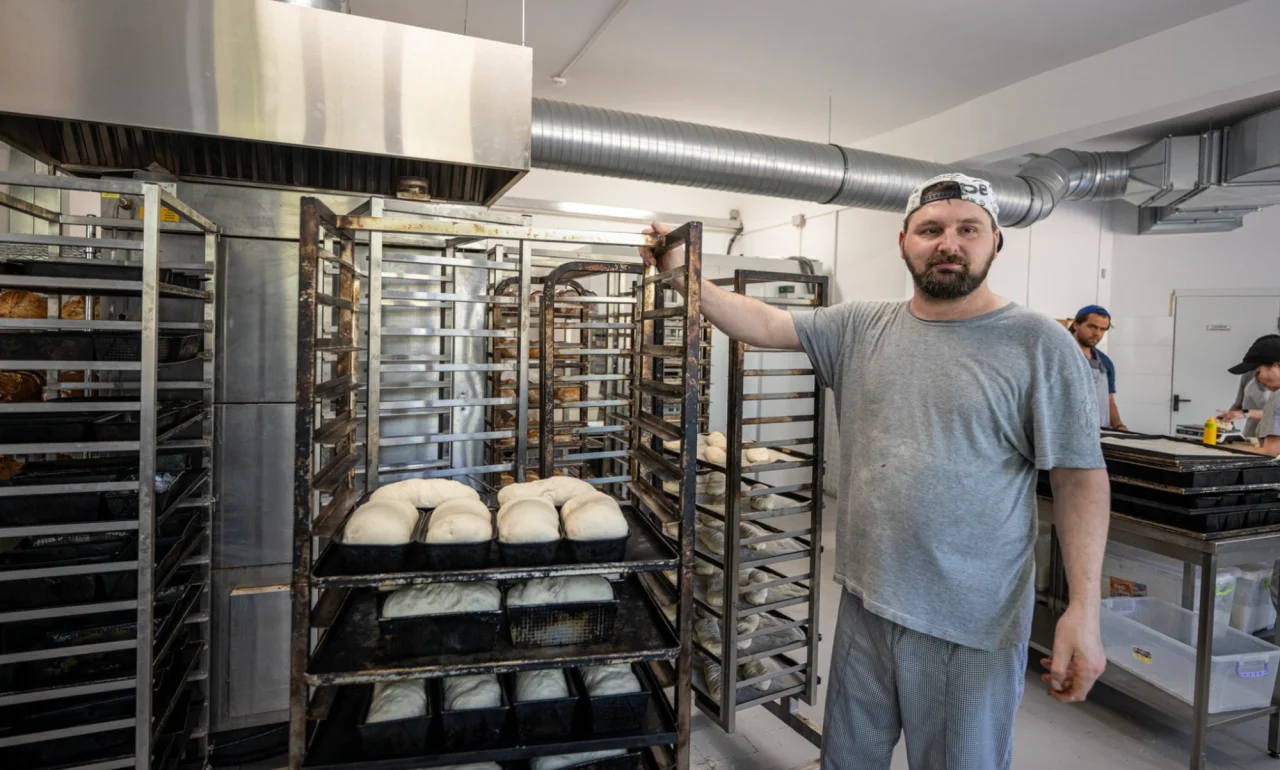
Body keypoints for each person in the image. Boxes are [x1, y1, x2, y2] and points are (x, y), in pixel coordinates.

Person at [640, 173, 1111, 770]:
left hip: (969, 621)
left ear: (996, 242)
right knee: (848, 760)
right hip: (866, 601)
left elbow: (1080, 479)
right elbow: (762, 323)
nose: (949, 243)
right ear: (904, 241)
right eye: (931, 229)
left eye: (968, 230)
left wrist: (1084, 610)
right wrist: (682, 272)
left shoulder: (1039, 343)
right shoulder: (862, 325)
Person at [1067, 305, 1126, 431]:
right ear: (1076, 324)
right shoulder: (1060, 355)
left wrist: (1119, 425)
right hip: (1067, 432)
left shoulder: (1105, 362)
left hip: (1098, 434)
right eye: (1092, 327)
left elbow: (1109, 400)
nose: (1097, 334)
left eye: (1103, 329)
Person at [1218, 334, 1280, 440]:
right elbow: (1239, 405)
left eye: (1258, 372)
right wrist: (1228, 418)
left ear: (1277, 365)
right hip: (1253, 438)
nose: (1258, 380)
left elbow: (1276, 414)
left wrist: (1247, 413)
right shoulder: (1248, 376)